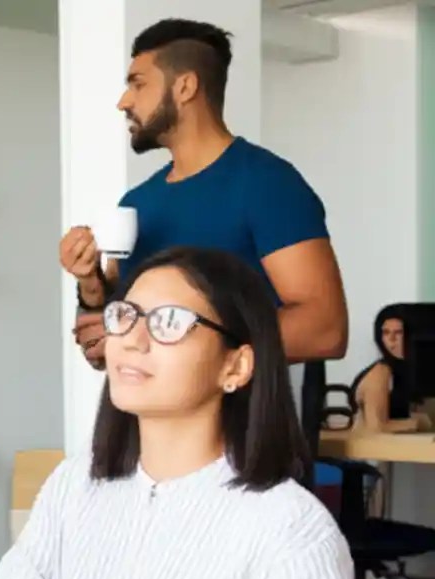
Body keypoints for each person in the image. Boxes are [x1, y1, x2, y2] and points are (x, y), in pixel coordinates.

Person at [0, 247, 368, 579]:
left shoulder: (290, 526)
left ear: (235, 366)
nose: (133, 339)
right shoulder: (76, 485)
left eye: (169, 322)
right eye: (124, 316)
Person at [59, 18, 348, 370]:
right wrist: (89, 282)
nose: (123, 102)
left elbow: (325, 330)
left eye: (138, 84)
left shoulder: (268, 184)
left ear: (185, 87)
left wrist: (168, 341)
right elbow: (101, 350)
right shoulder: (136, 203)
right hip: (140, 423)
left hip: (238, 424)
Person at [352, 307, 431, 433]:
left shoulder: (407, 373)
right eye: (386, 333)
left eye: (398, 332)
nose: (392, 339)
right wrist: (418, 423)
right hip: (370, 449)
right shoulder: (380, 373)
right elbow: (376, 428)